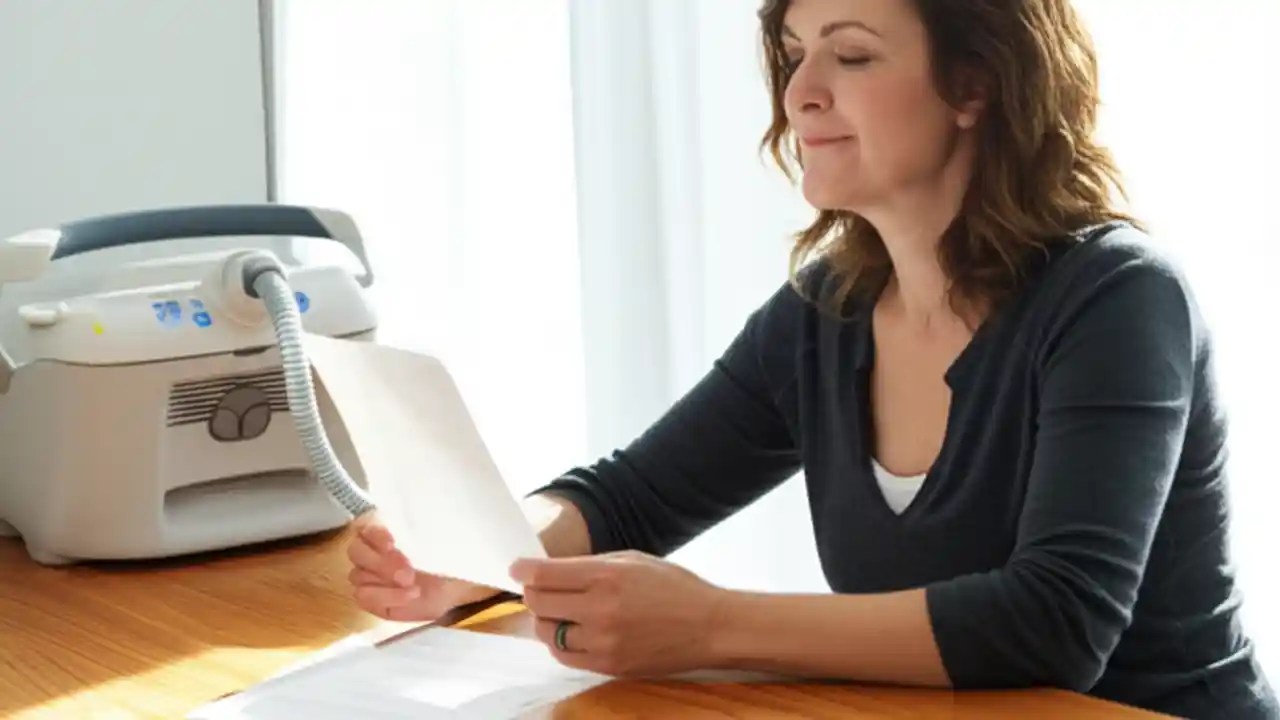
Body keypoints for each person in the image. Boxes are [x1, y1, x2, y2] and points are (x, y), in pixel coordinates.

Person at [346, 0, 1278, 717]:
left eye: (853, 53)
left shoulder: (1116, 298)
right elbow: (630, 497)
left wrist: (708, 624)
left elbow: (1054, 622)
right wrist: (477, 560)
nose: (798, 94)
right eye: (794, 55)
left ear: (975, 84)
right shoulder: (825, 312)